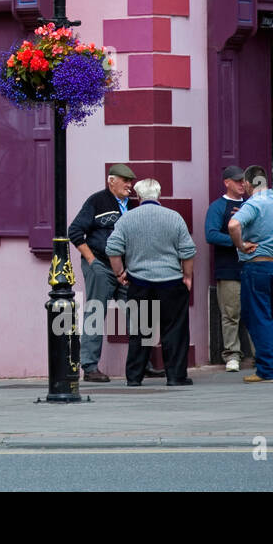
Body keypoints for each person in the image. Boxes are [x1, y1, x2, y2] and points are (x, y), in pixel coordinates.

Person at [67, 163, 161, 383]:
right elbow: (75, 231)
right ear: (111, 181)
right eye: (125, 180)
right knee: (96, 313)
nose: (130, 185)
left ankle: (142, 364)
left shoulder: (134, 205)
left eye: (131, 181)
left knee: (139, 312)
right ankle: (89, 368)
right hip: (100, 265)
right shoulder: (97, 201)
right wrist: (93, 263)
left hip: (126, 270)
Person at [106, 179, 196, 386]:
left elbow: (112, 249)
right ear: (159, 195)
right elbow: (188, 251)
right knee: (174, 330)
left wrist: (120, 273)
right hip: (171, 282)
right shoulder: (174, 218)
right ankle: (175, 376)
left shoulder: (127, 219)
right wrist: (187, 276)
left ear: (138, 197)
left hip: (140, 283)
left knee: (140, 331)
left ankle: (135, 377)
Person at [228, 165, 273, 383]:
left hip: (258, 266)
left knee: (257, 317)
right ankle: (272, 364)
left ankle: (267, 370)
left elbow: (233, 224)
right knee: (271, 317)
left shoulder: (253, 203)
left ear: (248, 183)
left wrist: (241, 245)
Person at [205, 166, 250, 372]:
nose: (242, 184)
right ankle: (232, 354)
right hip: (229, 268)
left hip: (253, 267)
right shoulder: (218, 206)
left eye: (244, 181)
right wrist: (238, 242)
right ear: (227, 182)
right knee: (231, 313)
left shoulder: (252, 204)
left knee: (256, 312)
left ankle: (264, 354)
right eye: (237, 181)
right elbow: (211, 234)